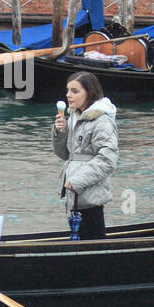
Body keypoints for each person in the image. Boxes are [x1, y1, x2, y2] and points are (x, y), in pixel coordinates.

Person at [52, 72, 118, 240]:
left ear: (89, 92)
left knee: (93, 238)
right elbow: (65, 154)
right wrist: (61, 132)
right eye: (68, 90)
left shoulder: (101, 120)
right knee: (80, 238)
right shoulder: (74, 117)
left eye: (75, 91)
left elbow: (108, 160)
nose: (68, 95)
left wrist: (76, 181)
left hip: (89, 192)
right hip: (75, 194)